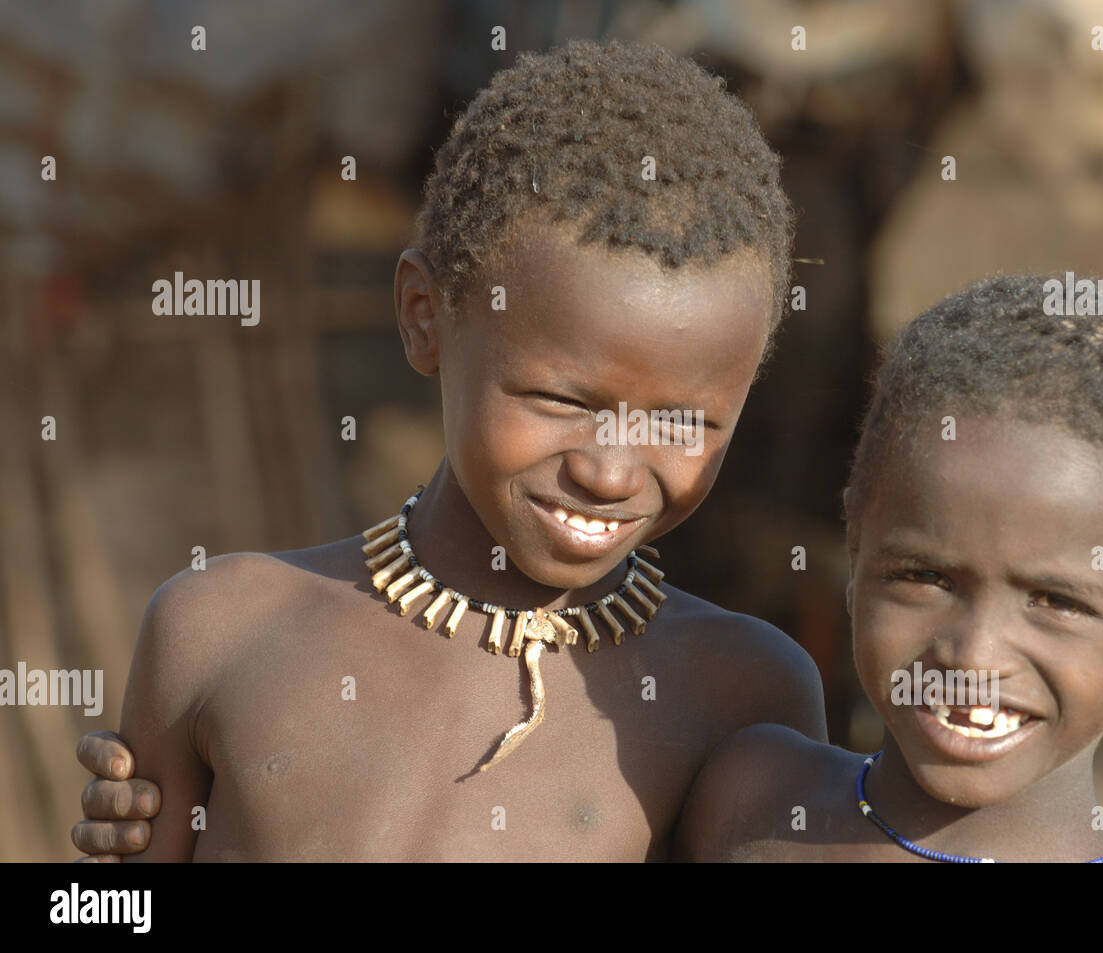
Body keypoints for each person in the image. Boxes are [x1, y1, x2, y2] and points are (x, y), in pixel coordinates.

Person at [70, 38, 825, 861]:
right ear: (425, 316)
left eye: (683, 422)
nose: (607, 470)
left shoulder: (742, 693)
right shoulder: (219, 630)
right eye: (560, 400)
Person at [676, 274, 1103, 861]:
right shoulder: (749, 801)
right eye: (926, 577)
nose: (975, 656)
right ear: (856, 551)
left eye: (1057, 601)